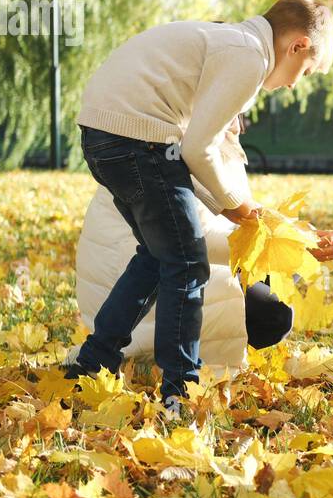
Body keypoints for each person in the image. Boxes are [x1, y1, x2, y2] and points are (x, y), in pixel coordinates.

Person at [65, 0, 333, 410]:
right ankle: (180, 392)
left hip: (106, 136)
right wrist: (239, 209)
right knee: (188, 263)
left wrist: (253, 216)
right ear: (297, 45)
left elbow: (191, 167)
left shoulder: (228, 41)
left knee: (158, 257)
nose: (294, 83)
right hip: (138, 138)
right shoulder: (249, 56)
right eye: (306, 70)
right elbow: (197, 150)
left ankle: (92, 362)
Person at [72, 118, 303, 377]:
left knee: (287, 269)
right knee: (275, 309)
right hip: (145, 295)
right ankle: (178, 380)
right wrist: (273, 249)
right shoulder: (185, 142)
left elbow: (230, 214)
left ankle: (109, 356)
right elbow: (193, 239)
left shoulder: (162, 130)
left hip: (111, 297)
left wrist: (287, 237)